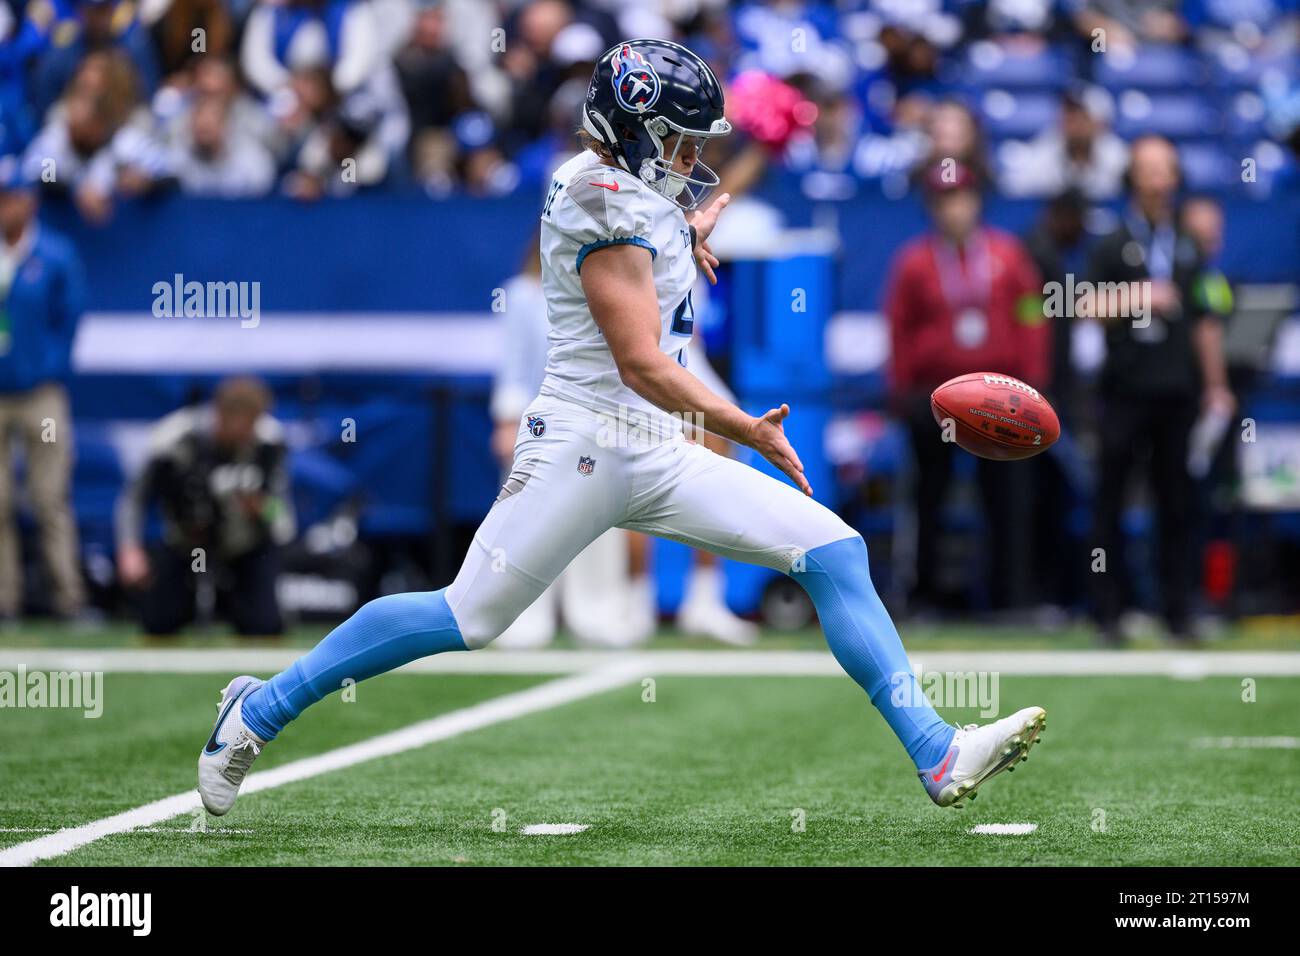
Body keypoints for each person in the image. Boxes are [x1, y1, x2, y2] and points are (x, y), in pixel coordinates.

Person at [198, 40, 1045, 817]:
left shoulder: (638, 191)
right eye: (680, 140)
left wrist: (689, 231)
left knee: (834, 552)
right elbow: (642, 361)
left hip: (652, 449)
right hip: (584, 444)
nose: (694, 158)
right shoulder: (596, 196)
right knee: (469, 615)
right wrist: (743, 425)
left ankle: (936, 752)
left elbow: (656, 246)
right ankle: (258, 708)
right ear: (633, 133)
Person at [885, 161, 1050, 615]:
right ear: (931, 207)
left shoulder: (1008, 255)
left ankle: (1010, 598)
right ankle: (925, 596)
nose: (953, 209)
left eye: (960, 198)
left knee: (1008, 498)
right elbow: (899, 328)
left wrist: (1033, 384)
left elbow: (1032, 314)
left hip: (1003, 399)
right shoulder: (915, 262)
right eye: (942, 200)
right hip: (935, 399)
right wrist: (902, 393)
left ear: (976, 202)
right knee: (928, 496)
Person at [1087, 135, 1233, 645]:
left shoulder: (1189, 244)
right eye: (1145, 169)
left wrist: (1216, 385)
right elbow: (1083, 305)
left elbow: (1205, 322)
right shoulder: (1111, 242)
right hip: (1126, 389)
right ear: (1132, 177)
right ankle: (1108, 612)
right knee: (1111, 501)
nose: (1154, 179)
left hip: (1178, 391)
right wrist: (1138, 295)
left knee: (1177, 502)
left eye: (1162, 169)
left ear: (1174, 177)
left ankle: (1178, 611)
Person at [116, 377, 294, 636]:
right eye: (243, 425)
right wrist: (130, 548)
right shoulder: (172, 440)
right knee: (158, 622)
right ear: (221, 415)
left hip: (243, 546)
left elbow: (283, 519)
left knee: (264, 625)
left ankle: (237, 601)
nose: (248, 434)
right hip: (186, 543)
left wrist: (261, 508)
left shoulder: (270, 443)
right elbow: (135, 499)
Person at [0, 158, 87, 624]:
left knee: (49, 496)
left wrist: (43, 369)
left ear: (28, 200)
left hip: (39, 394)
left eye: (8, 197)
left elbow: (69, 322)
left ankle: (67, 597)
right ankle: (4, 600)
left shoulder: (54, 255)